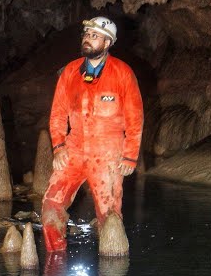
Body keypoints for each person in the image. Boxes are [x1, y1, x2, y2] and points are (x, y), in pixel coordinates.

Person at [40, 16, 143, 254]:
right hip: (74, 149)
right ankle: (55, 260)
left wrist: (129, 156)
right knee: (51, 204)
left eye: (94, 36)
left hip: (108, 153)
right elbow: (58, 114)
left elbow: (134, 118)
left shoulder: (122, 73)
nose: (88, 39)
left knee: (109, 215)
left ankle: (112, 272)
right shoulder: (70, 72)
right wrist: (58, 147)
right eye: (86, 34)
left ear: (107, 43)